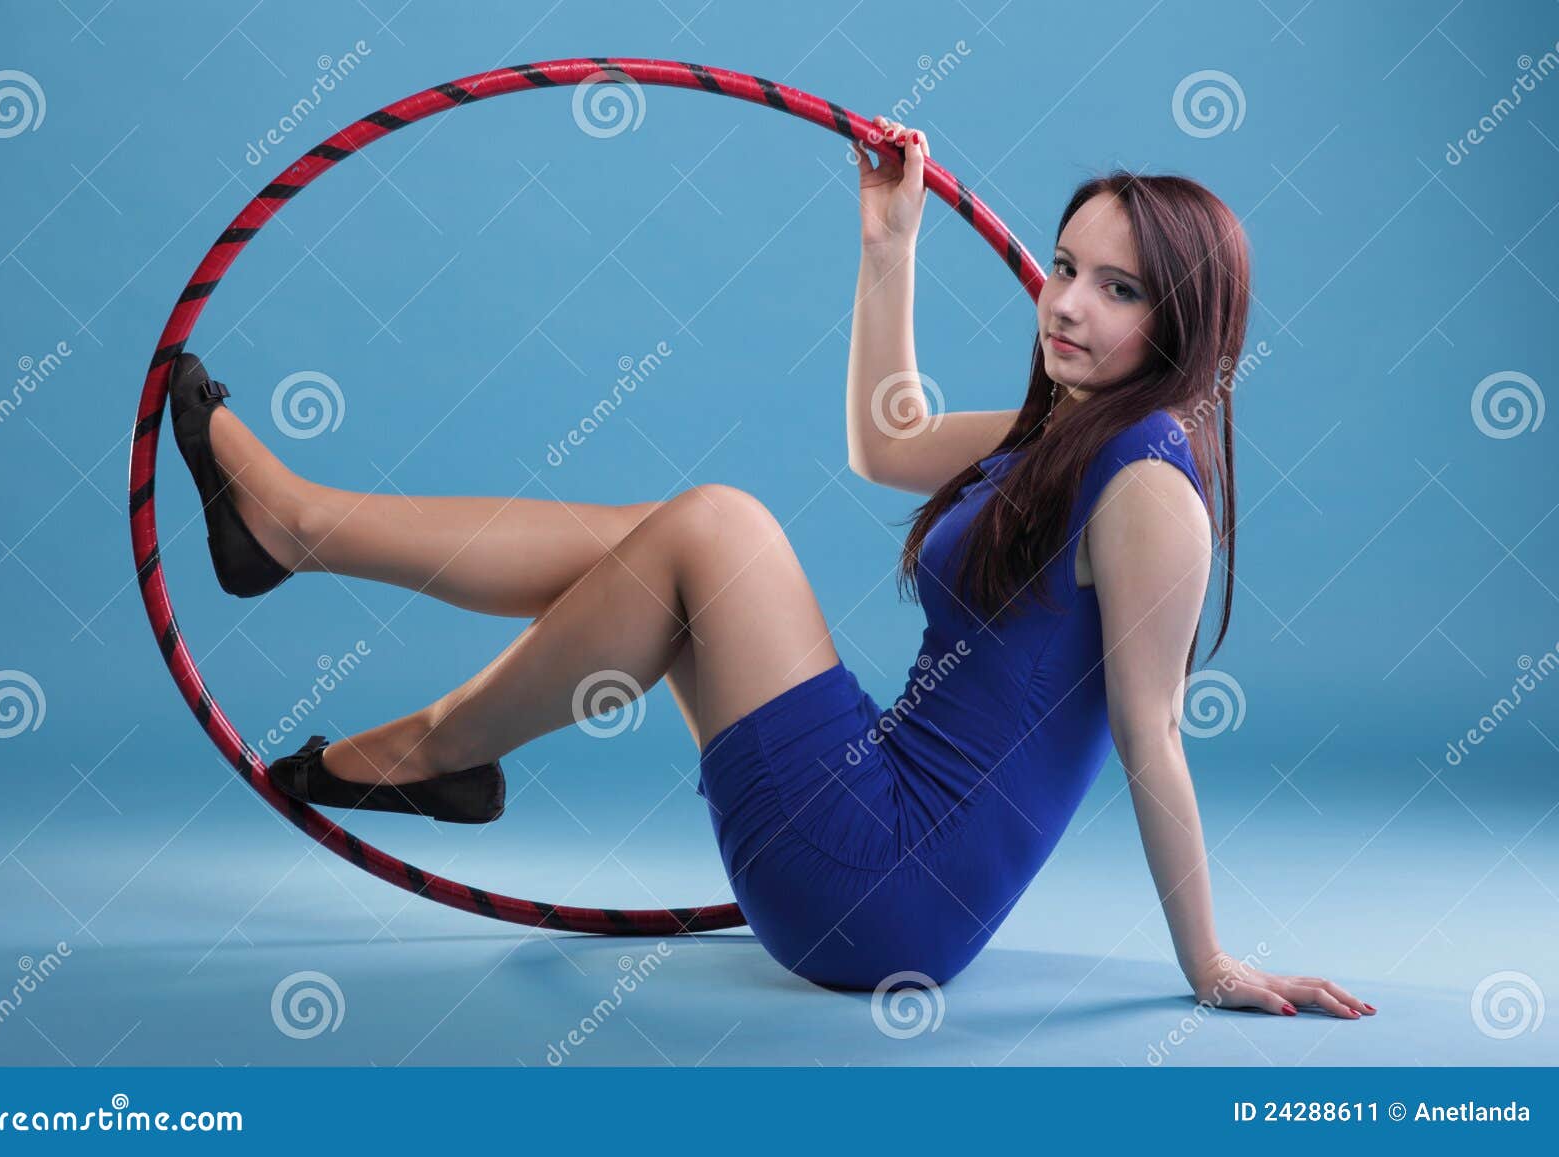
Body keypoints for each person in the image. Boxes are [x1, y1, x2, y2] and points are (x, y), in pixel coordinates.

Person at [165, 113, 1374, 1018]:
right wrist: (888, 242)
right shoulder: (1060, 433)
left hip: (888, 886)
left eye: (1118, 290)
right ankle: (303, 544)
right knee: (665, 548)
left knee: (716, 526)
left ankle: (427, 733)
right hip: (868, 810)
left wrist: (1210, 963)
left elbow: (1151, 730)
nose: (1065, 304)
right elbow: (888, 441)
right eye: (1063, 267)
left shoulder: (1151, 483)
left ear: (1183, 322)